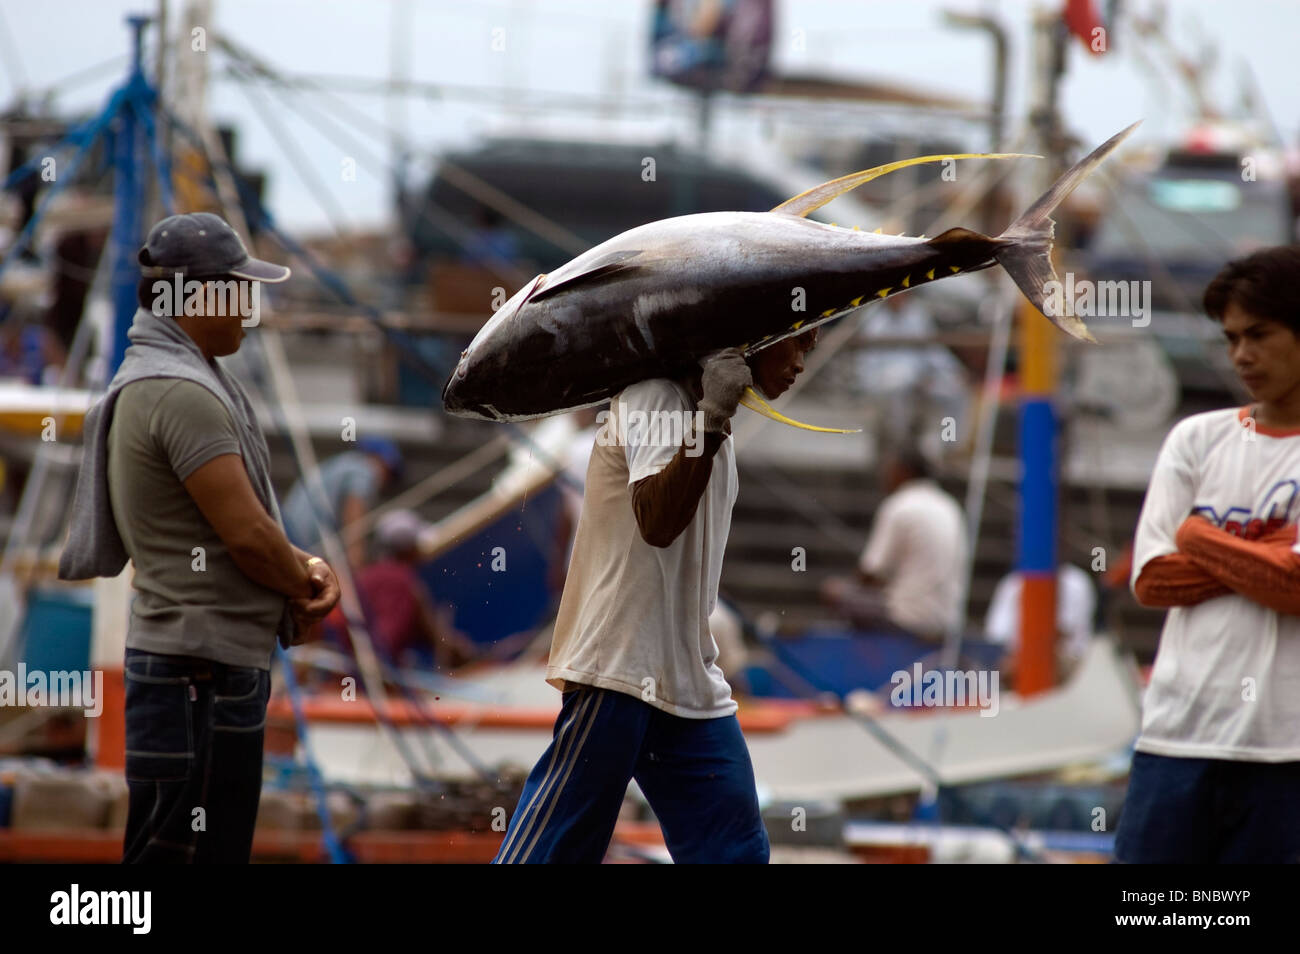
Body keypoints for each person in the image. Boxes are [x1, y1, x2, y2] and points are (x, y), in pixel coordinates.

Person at [58, 212, 341, 863]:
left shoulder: (169, 379)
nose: (250, 305)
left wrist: (302, 565)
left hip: (197, 665)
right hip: (200, 672)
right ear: (196, 295)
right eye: (239, 288)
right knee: (183, 854)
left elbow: (226, 532)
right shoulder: (180, 393)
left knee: (178, 848)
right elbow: (245, 536)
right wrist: (307, 582)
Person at [493, 332, 817, 864]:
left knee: (734, 853)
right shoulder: (655, 398)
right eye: (796, 345)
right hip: (618, 667)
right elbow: (658, 521)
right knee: (555, 849)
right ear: (756, 338)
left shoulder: (716, 429)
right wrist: (711, 417)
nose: (801, 363)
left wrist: (714, 418)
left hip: (689, 676)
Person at [1116, 245, 1300, 864]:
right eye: (1230, 339)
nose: (1242, 355)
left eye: (1260, 335)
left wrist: (1198, 535)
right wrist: (1261, 552)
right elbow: (1151, 579)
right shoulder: (1196, 439)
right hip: (1177, 739)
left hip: (1286, 752)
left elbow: (1294, 589)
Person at [820, 444, 968, 642]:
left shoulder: (899, 505)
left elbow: (870, 575)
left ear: (903, 472)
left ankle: (864, 656)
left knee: (834, 590)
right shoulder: (949, 505)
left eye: (889, 469)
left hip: (909, 617)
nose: (884, 476)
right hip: (948, 619)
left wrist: (849, 588)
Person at [351, 508, 474, 672]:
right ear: (408, 549)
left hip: (355, 670)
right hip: (375, 677)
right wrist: (451, 646)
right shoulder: (403, 582)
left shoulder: (365, 577)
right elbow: (386, 641)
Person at [280, 437, 403, 568]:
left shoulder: (340, 465)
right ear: (379, 459)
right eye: (390, 473)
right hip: (303, 548)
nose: (386, 483)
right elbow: (354, 519)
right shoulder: (362, 470)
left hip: (290, 539)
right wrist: (356, 562)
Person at [984, 563, 1097, 676]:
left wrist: (1025, 657)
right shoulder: (1012, 582)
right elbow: (997, 634)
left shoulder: (1077, 581)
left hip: (1069, 657)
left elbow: (1064, 631)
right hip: (1017, 656)